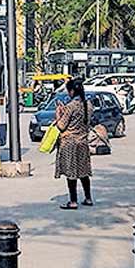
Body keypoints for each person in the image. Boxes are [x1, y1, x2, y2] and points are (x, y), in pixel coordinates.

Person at [55, 78, 93, 209]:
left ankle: (73, 201)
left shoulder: (71, 106)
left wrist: (59, 113)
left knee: (71, 173)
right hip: (83, 142)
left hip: (70, 143)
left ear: (71, 91)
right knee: (83, 172)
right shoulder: (88, 104)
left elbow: (61, 126)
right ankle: (88, 198)